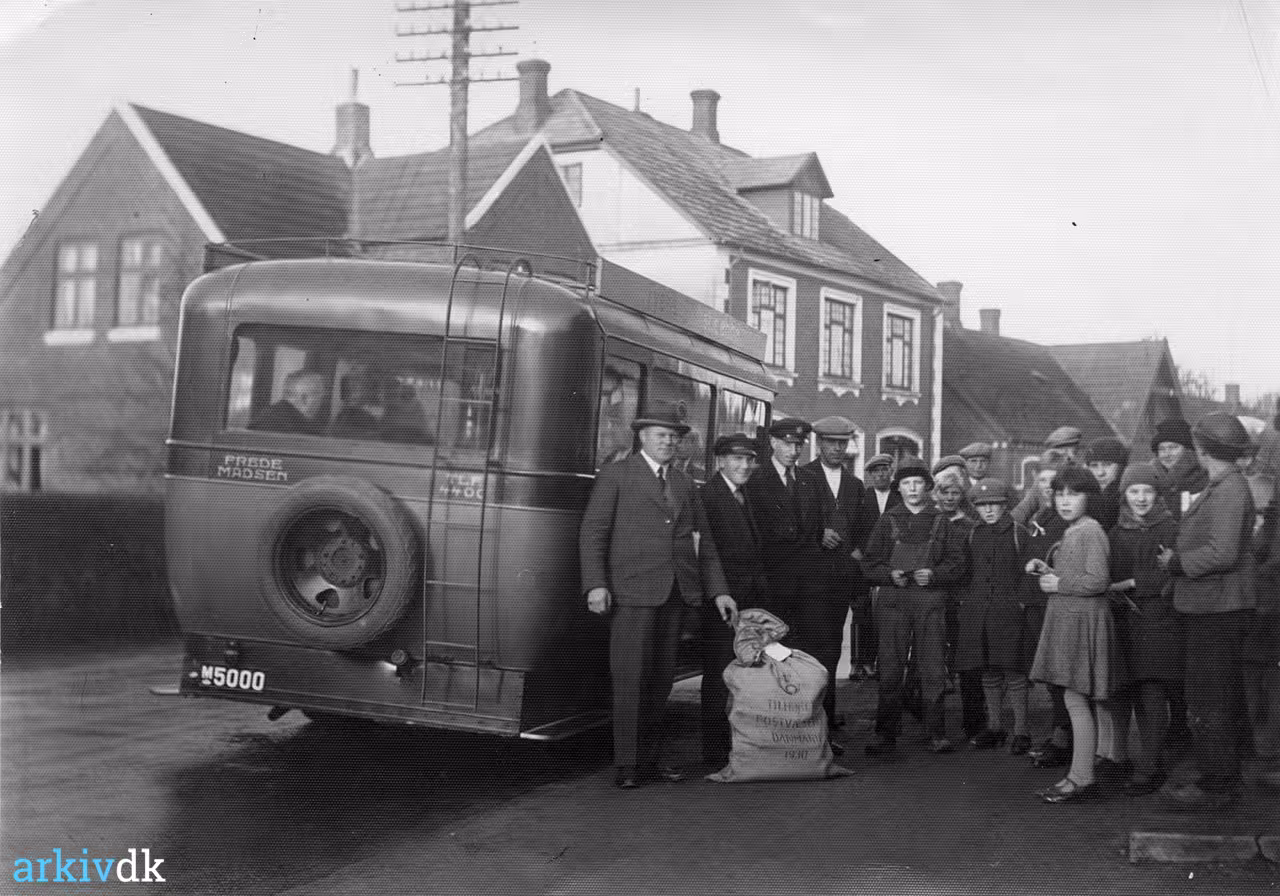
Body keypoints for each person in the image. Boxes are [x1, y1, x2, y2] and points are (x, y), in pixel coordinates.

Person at [579, 402, 734, 790]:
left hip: (676, 595)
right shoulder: (616, 475)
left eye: (674, 436)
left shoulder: (684, 484)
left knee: (661, 681)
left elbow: (706, 544)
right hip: (631, 593)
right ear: (642, 437)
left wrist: (719, 592)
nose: (668, 441)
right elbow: (593, 533)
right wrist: (595, 583)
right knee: (631, 679)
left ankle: (649, 760)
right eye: (661, 435)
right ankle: (628, 766)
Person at [1156, 412, 1257, 811]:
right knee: (1216, 692)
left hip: (1218, 608)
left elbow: (1224, 552)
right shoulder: (1223, 486)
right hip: (1214, 605)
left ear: (1201, 450)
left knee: (1209, 696)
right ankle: (1223, 773)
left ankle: (1217, 784)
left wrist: (1177, 563)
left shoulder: (1230, 490)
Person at [1028, 466, 1124, 803]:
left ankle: (1081, 777)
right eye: (1060, 494)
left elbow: (1098, 581)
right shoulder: (1077, 529)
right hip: (1075, 619)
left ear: (1090, 497)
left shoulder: (1089, 530)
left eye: (1074, 494)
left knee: (1075, 697)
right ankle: (1094, 766)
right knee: (1082, 697)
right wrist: (1049, 570)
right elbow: (1081, 575)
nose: (1065, 501)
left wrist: (1060, 583)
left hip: (1081, 621)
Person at [861, 457, 967, 756]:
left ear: (928, 487)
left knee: (933, 667)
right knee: (891, 669)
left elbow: (958, 563)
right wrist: (888, 575)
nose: (912, 489)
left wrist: (935, 575)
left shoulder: (940, 520)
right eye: (906, 483)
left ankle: (936, 732)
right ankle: (886, 734)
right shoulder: (887, 520)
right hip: (894, 601)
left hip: (930, 601)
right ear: (899, 487)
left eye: (918, 483)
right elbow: (869, 564)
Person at [1106, 462, 1182, 796]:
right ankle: (1140, 759)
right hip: (1126, 621)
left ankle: (1150, 767)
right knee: (1134, 690)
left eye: (1147, 491)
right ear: (1124, 495)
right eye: (1134, 491)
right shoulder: (1117, 530)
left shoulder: (1169, 528)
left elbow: (1173, 574)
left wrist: (1132, 582)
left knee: (1152, 692)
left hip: (1159, 621)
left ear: (1158, 495)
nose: (1140, 498)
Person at [698, 433, 767, 768]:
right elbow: (707, 553)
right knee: (718, 675)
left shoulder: (743, 494)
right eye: (737, 459)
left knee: (740, 673)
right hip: (723, 603)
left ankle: (733, 743)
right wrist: (721, 594)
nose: (744, 466)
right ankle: (713, 751)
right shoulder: (708, 496)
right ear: (720, 461)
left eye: (749, 459)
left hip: (748, 600)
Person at [956, 479, 1033, 754]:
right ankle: (995, 727)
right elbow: (966, 571)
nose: (988, 510)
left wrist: (1021, 602)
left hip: (1008, 612)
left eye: (994, 505)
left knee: (1013, 671)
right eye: (982, 505)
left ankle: (1022, 731)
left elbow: (1028, 572)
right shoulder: (974, 534)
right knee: (988, 669)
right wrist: (967, 600)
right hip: (979, 612)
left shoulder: (1018, 533)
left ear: (1005, 505)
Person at [802, 416, 867, 735]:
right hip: (810, 579)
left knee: (832, 645)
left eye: (843, 443)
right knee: (811, 646)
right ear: (819, 443)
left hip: (842, 578)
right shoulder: (802, 477)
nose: (838, 449)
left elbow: (868, 528)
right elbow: (794, 523)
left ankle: (826, 717)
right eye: (832, 443)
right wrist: (817, 534)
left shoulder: (856, 485)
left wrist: (858, 553)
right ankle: (808, 715)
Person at [1018, 456, 1075, 767]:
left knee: (1062, 674)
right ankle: (1061, 733)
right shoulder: (1040, 516)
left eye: (1056, 484)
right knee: (1049, 676)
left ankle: (1065, 738)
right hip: (1036, 604)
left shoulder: (1067, 521)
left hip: (1057, 603)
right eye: (1043, 482)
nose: (1050, 490)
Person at [849, 453, 900, 681]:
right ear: (869, 475)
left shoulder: (898, 498)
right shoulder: (862, 497)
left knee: (886, 614)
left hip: (890, 565)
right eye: (875, 471)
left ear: (891, 472)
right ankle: (858, 662)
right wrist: (856, 552)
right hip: (864, 566)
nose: (880, 475)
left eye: (884, 470)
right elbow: (851, 527)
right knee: (861, 613)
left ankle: (879, 662)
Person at [1151, 418, 1208, 521]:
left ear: (1188, 449)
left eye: (1173, 447)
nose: (1167, 454)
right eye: (1162, 449)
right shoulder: (1150, 481)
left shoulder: (1204, 480)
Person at [249, 369, 327, 435]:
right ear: (305, 398)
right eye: (318, 395)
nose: (321, 402)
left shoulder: (265, 418)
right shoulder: (306, 431)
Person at [1085, 436, 1129, 533]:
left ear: (1121, 467)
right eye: (1094, 465)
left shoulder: (1129, 501)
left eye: (1107, 464)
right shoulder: (1082, 499)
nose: (1100, 473)